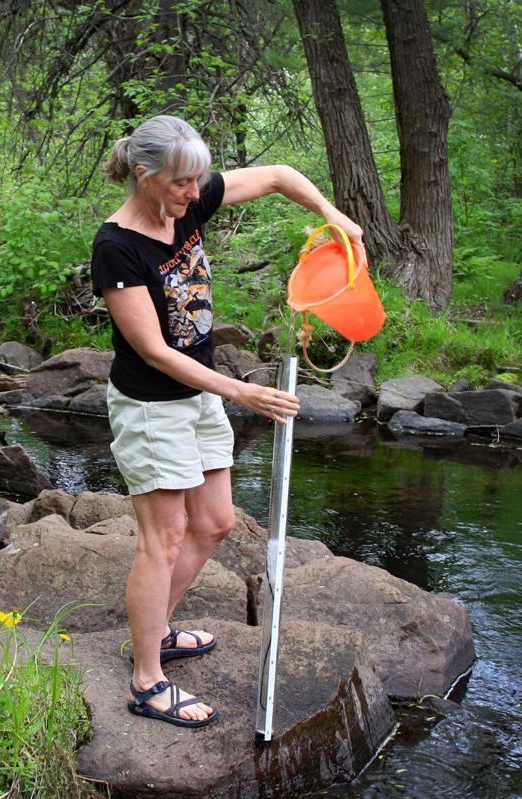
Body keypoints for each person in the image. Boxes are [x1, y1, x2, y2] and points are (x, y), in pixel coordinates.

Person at [90, 115, 363, 728]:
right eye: (183, 183)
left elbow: (278, 176)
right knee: (160, 541)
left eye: (198, 182)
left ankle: (154, 631)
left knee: (213, 523)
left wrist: (331, 214)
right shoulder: (117, 247)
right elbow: (155, 352)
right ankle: (145, 679)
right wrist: (244, 392)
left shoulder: (186, 200)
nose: (196, 193)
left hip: (200, 397)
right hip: (152, 407)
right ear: (145, 174)